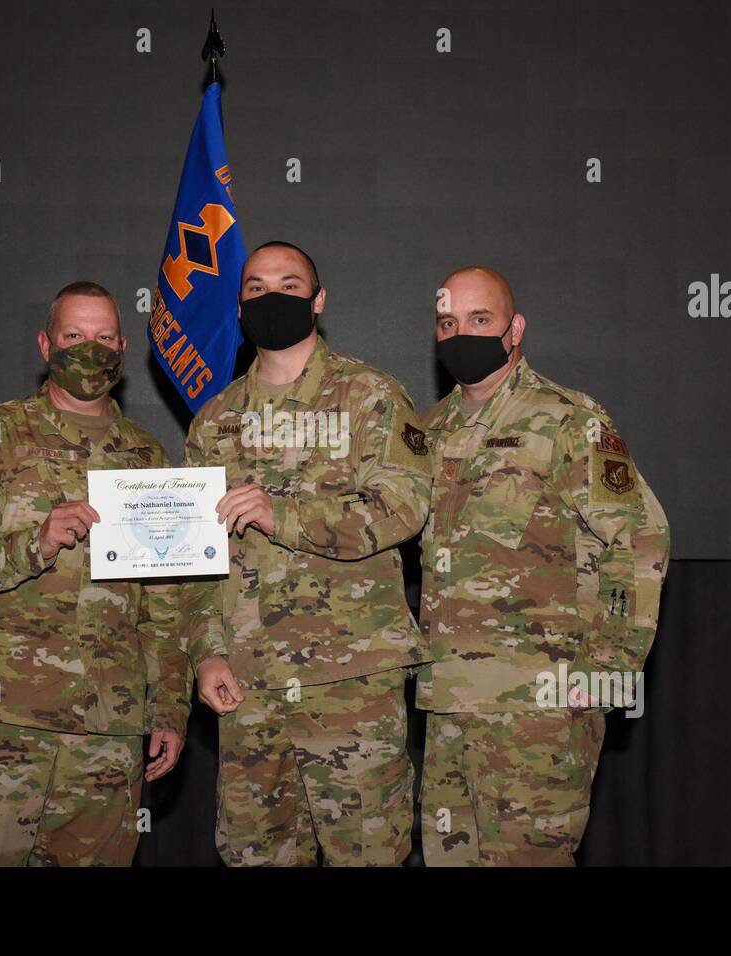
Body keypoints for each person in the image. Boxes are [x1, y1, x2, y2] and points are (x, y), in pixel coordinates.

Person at [0, 281, 190, 866]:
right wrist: (31, 545)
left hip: (108, 733)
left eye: (105, 338)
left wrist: (168, 708)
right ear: (46, 345)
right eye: (74, 335)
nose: (91, 349)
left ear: (123, 347)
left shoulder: (147, 458)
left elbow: (163, 606)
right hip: (1, 721)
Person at [182, 241, 432, 866]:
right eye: (256, 287)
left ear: (318, 301)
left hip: (350, 680)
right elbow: (196, 558)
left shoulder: (370, 396)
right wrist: (206, 652)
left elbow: (404, 507)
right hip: (248, 686)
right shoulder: (214, 420)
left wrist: (284, 515)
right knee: (255, 855)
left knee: (367, 854)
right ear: (239, 306)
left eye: (289, 286)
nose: (272, 297)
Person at [418, 266, 671, 866]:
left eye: (480, 319)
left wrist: (608, 669)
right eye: (448, 323)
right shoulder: (425, 433)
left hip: (541, 707)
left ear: (515, 329)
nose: (461, 334)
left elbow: (639, 539)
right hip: (447, 701)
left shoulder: (567, 419)